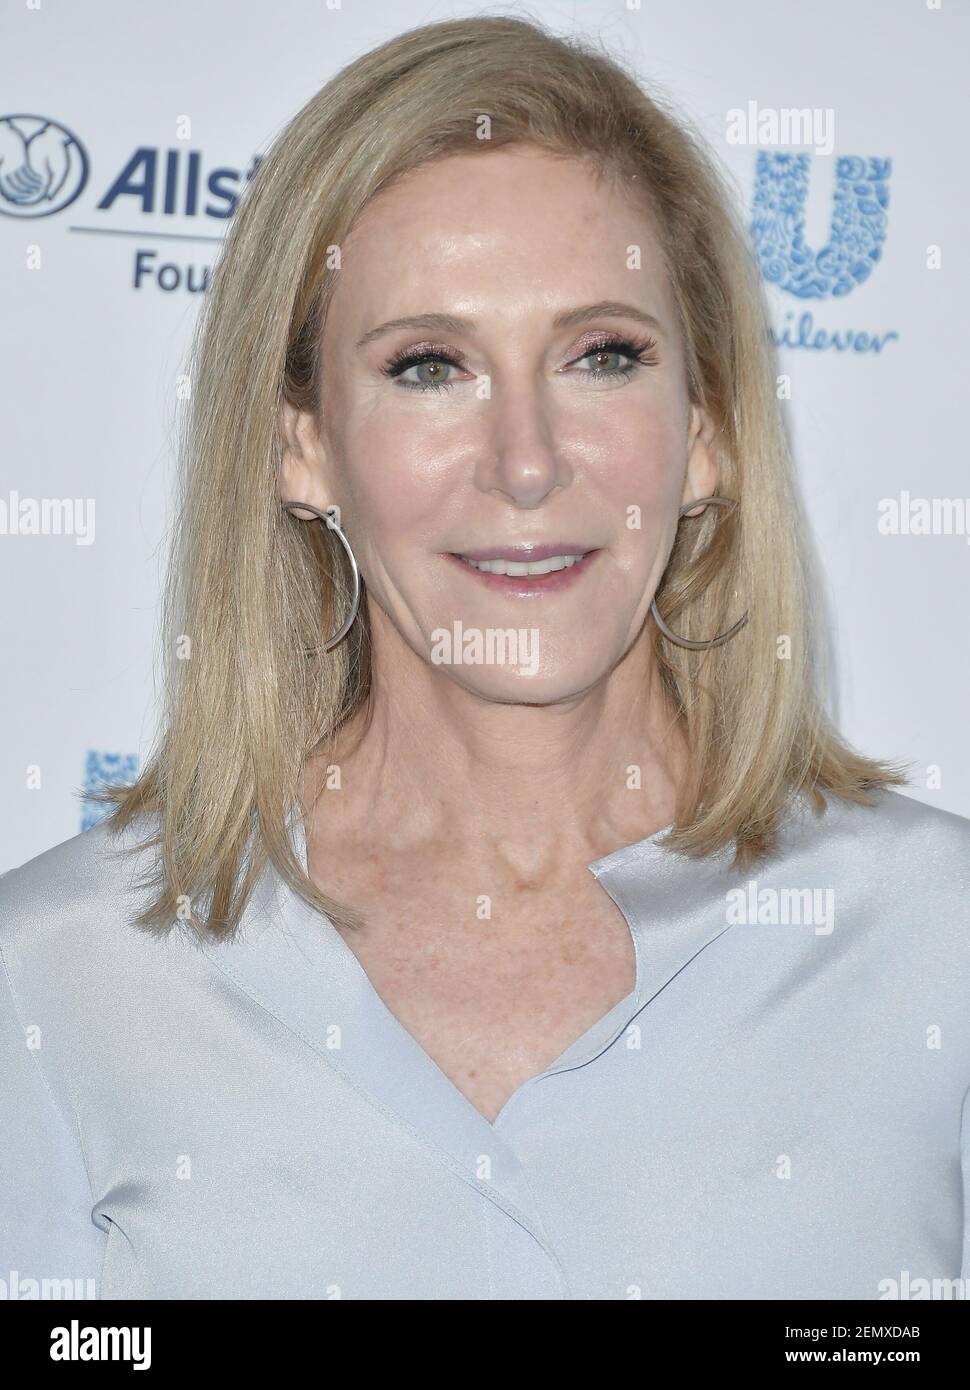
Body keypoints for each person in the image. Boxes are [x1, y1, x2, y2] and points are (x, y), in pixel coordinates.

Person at [2, 15, 968, 1301]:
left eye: (601, 356)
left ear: (708, 429)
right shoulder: (67, 967)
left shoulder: (933, 942)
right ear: (301, 446)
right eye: (429, 366)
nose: (525, 462)